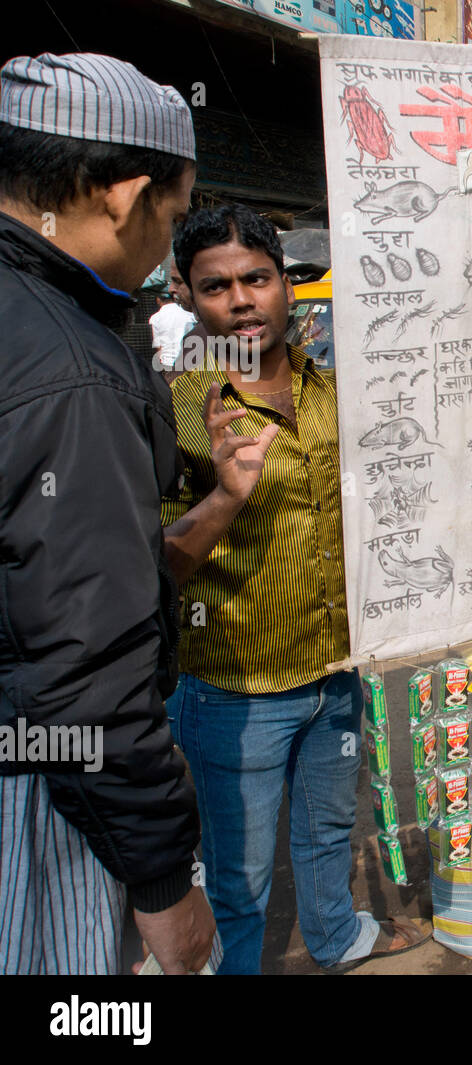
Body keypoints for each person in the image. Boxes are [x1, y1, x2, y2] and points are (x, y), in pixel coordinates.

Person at [0, 52, 277, 975]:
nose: (239, 299)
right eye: (172, 213)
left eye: (260, 278)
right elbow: (85, 661)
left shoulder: (47, 321)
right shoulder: (75, 370)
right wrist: (163, 879)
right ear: (123, 195)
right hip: (52, 789)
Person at [164, 204, 430, 974]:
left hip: (335, 672)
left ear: (286, 286)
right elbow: (157, 569)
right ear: (188, 297)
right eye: (217, 286)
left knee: (327, 831)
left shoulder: (336, 396)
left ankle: (337, 935)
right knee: (239, 878)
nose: (242, 300)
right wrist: (224, 498)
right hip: (232, 688)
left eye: (257, 278)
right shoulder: (178, 410)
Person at [149, 254, 197, 372]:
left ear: (158, 300)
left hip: (168, 363)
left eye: (178, 281)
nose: (172, 288)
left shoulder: (155, 318)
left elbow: (158, 346)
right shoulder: (186, 313)